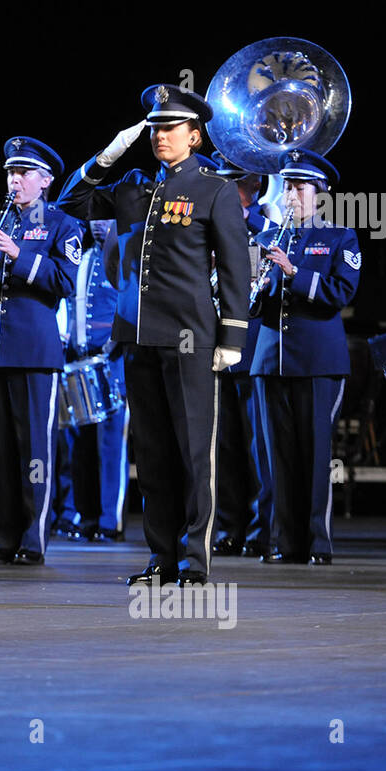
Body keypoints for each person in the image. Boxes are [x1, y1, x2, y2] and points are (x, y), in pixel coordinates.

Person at [59, 85, 251, 587]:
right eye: (154, 128)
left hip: (191, 338)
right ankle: (161, 558)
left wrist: (232, 336)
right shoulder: (134, 184)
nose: (160, 135)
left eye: (170, 128)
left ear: (195, 134)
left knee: (193, 452)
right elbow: (70, 201)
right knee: (153, 454)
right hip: (139, 338)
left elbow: (234, 269)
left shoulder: (214, 189)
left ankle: (194, 560)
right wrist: (112, 150)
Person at [0, 137, 80, 565]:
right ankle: (3, 540)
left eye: (24, 173)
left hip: (36, 351)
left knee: (36, 449)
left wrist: (18, 256)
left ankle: (32, 542)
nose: (15, 180)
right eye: (11, 173)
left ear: (46, 180)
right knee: (0, 453)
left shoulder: (61, 224)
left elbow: (65, 282)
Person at [252, 150, 360, 566]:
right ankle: (284, 541)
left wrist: (294, 273)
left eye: (300, 187)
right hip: (270, 359)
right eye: (287, 187)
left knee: (316, 455)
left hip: (318, 360)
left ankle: (318, 543)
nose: (291, 195)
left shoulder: (339, 237)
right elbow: (250, 305)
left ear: (320, 194)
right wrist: (243, 283)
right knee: (275, 455)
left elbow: (341, 293)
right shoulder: (266, 238)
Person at [209, 151, 275, 558]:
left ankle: (260, 528)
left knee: (256, 445)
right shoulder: (211, 225)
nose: (224, 190)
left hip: (251, 350)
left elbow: (273, 239)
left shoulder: (268, 224)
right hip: (214, 345)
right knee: (225, 445)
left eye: (232, 182)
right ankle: (230, 525)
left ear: (252, 184)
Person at [61, 218, 129, 543]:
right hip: (79, 361)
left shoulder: (126, 257)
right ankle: (84, 515)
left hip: (111, 362)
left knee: (111, 443)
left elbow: (129, 309)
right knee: (80, 442)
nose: (99, 226)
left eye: (107, 218)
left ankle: (109, 520)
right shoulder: (84, 256)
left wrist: (112, 348)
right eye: (96, 219)